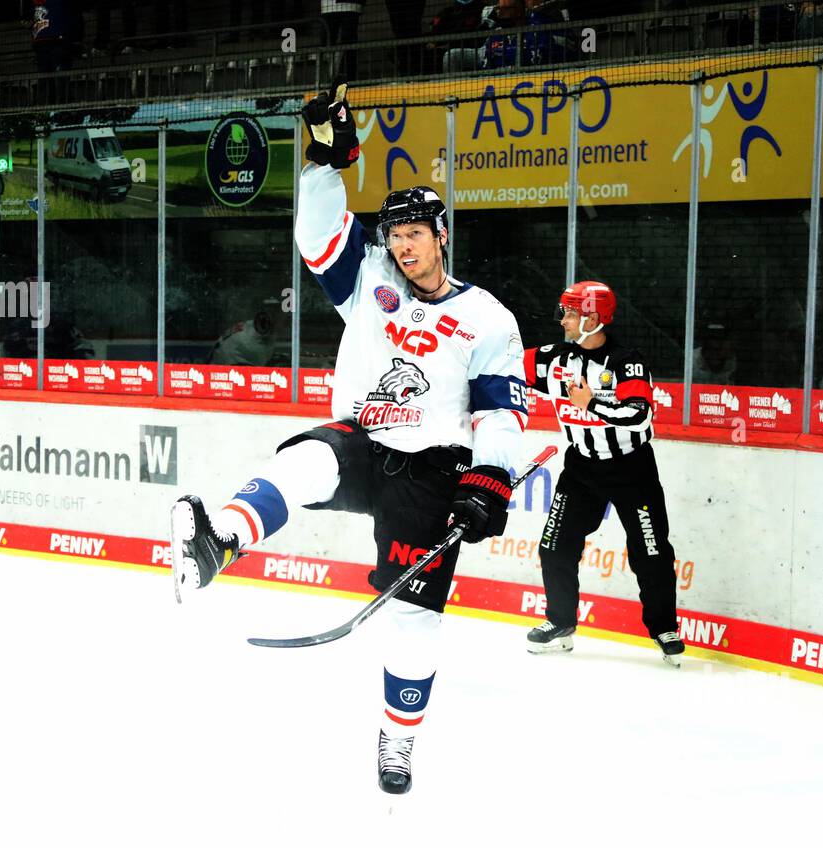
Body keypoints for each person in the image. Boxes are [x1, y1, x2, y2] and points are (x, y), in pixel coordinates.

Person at [171, 84, 528, 796]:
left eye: (415, 233)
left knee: (414, 620)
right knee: (306, 458)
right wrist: (322, 165)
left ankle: (398, 741)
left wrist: (488, 480)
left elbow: (499, 413)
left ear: (441, 234)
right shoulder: (368, 282)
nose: (402, 245)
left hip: (431, 473)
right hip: (366, 444)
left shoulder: (488, 318)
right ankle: (220, 541)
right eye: (394, 234)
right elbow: (318, 238)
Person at [522, 280, 683, 664]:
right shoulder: (554, 358)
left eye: (571, 313)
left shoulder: (626, 361)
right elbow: (503, 362)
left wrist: (591, 403)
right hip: (581, 468)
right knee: (554, 546)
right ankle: (561, 623)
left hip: (632, 468)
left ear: (593, 318)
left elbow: (639, 413)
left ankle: (663, 627)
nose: (563, 321)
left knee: (651, 550)